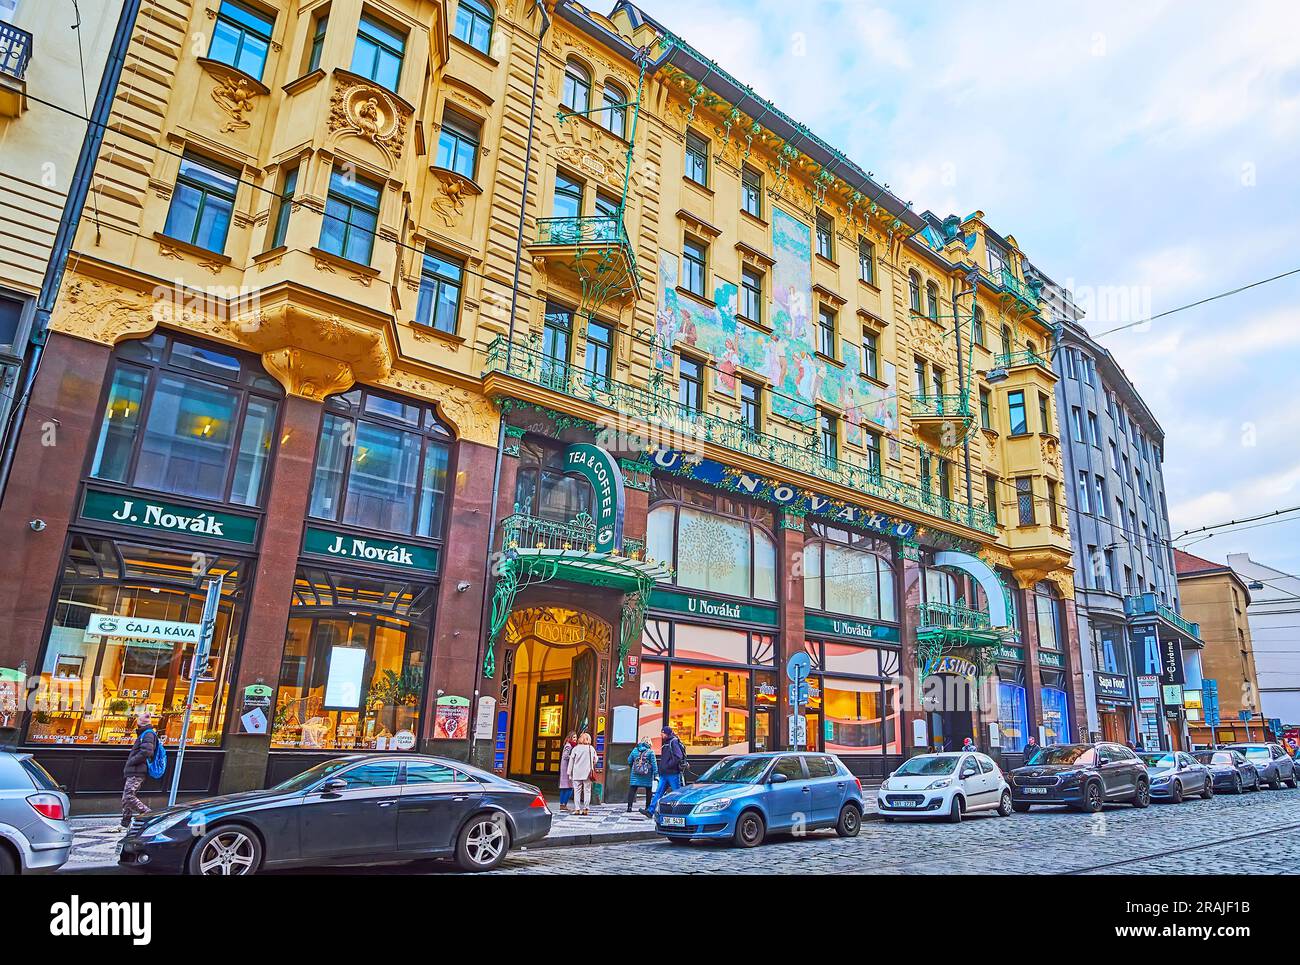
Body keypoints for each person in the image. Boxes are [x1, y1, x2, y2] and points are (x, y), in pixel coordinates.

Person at [121, 713, 159, 831]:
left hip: (137, 770)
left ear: (140, 722)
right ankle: (125, 823)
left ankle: (150, 815)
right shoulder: (144, 733)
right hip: (135, 769)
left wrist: (132, 761)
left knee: (128, 796)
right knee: (126, 797)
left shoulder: (147, 734)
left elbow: (147, 752)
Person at [644, 725, 687, 816]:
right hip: (664, 773)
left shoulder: (673, 742)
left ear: (666, 733)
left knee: (677, 793)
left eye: (662, 733)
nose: (661, 734)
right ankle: (650, 811)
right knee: (658, 793)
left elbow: (678, 756)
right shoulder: (666, 742)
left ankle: (681, 811)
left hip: (672, 773)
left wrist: (668, 765)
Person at [568, 733, 598, 816]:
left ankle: (577, 809)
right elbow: (596, 759)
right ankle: (586, 809)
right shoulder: (591, 748)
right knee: (587, 791)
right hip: (587, 773)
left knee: (577, 791)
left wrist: (569, 773)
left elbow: (571, 762)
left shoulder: (576, 749)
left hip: (577, 773)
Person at [626, 736, 657, 813]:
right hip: (647, 773)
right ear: (649, 743)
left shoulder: (635, 750)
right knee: (648, 790)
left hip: (635, 773)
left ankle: (629, 807)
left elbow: (629, 760)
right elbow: (654, 763)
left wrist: (633, 767)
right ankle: (647, 807)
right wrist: (656, 773)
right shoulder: (650, 752)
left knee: (632, 789)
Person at [558, 731, 577, 812]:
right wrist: (573, 757)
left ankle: (562, 804)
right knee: (569, 787)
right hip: (567, 769)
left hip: (564, 768)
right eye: (574, 737)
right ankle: (564, 804)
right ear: (570, 738)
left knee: (564, 787)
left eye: (576, 737)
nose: (575, 739)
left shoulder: (568, 745)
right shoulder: (569, 746)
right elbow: (565, 756)